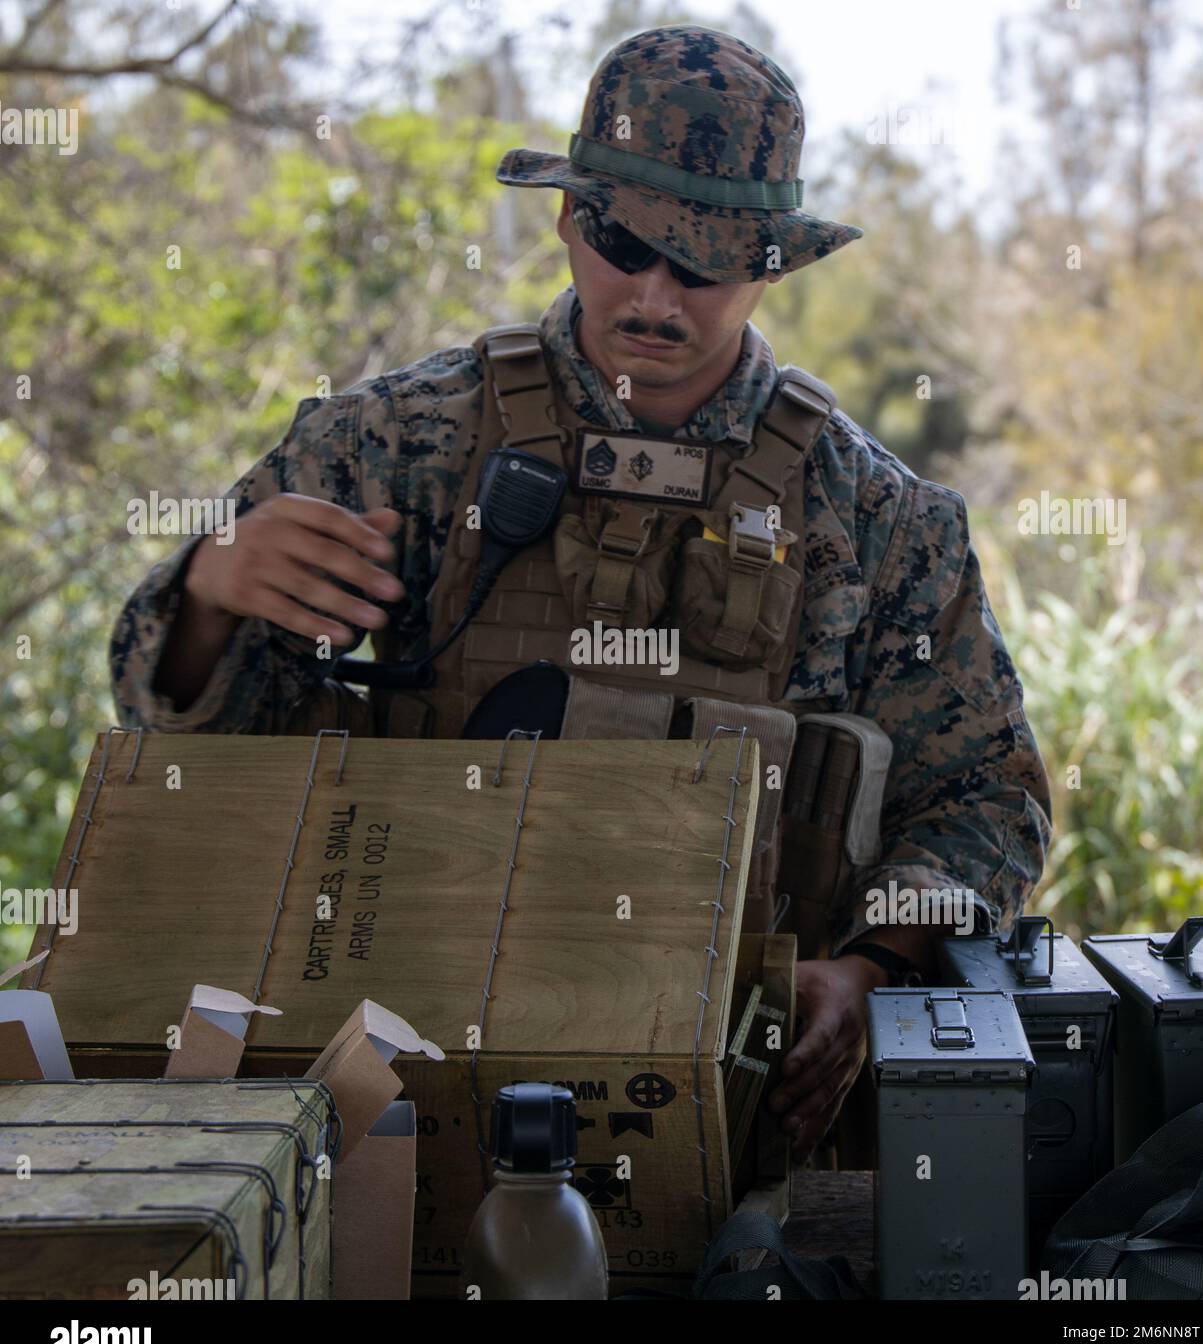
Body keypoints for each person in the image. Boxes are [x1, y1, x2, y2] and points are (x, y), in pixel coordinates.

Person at [110, 24, 1052, 1161]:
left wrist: (869, 967)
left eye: (701, 259)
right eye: (620, 238)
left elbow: (985, 797)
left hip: (731, 1113)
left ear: (769, 264)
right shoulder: (396, 445)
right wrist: (207, 602)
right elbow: (193, 758)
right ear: (565, 216)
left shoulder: (879, 519)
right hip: (397, 1083)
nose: (654, 292)